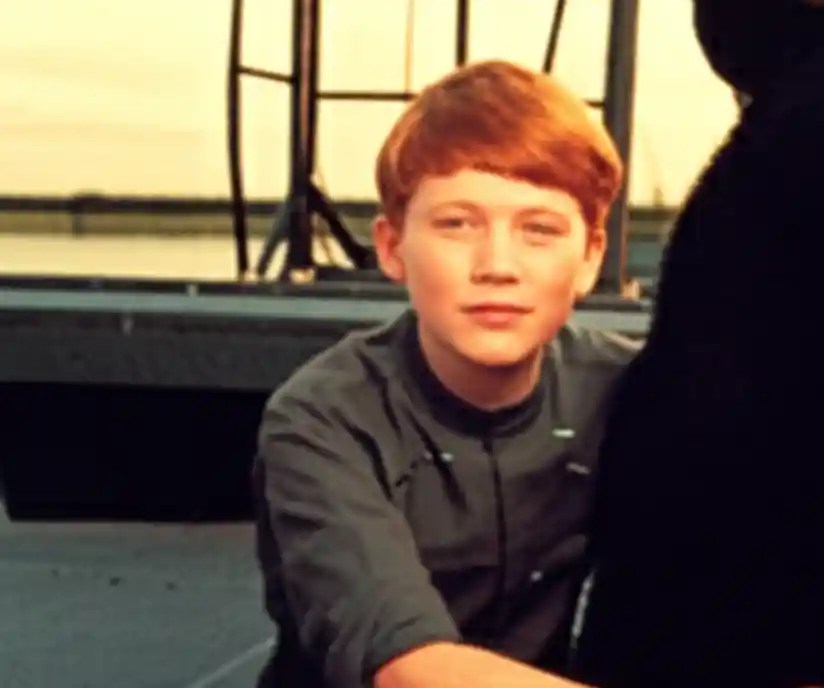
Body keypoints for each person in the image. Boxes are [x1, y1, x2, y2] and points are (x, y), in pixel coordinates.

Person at [251, 59, 640, 688]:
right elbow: (411, 671)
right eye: (456, 224)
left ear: (592, 256)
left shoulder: (628, 391)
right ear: (392, 246)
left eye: (539, 230)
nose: (497, 265)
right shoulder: (323, 418)